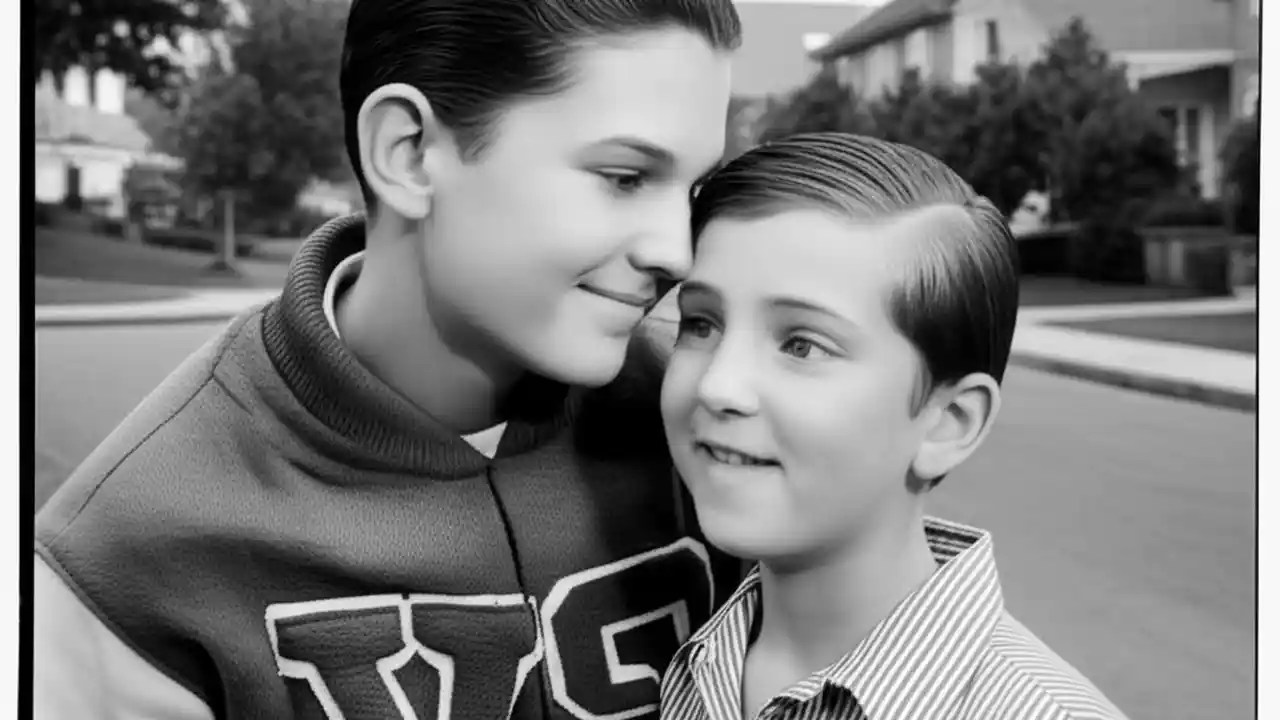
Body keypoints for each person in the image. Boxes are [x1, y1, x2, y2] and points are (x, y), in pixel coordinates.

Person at [33, 1, 745, 718]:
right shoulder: (125, 552)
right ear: (406, 152)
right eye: (624, 177)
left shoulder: (714, 419)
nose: (675, 252)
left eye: (690, 191)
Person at [658, 133, 1130, 720]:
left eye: (802, 344)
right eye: (702, 324)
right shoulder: (690, 663)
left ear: (948, 424)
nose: (717, 385)